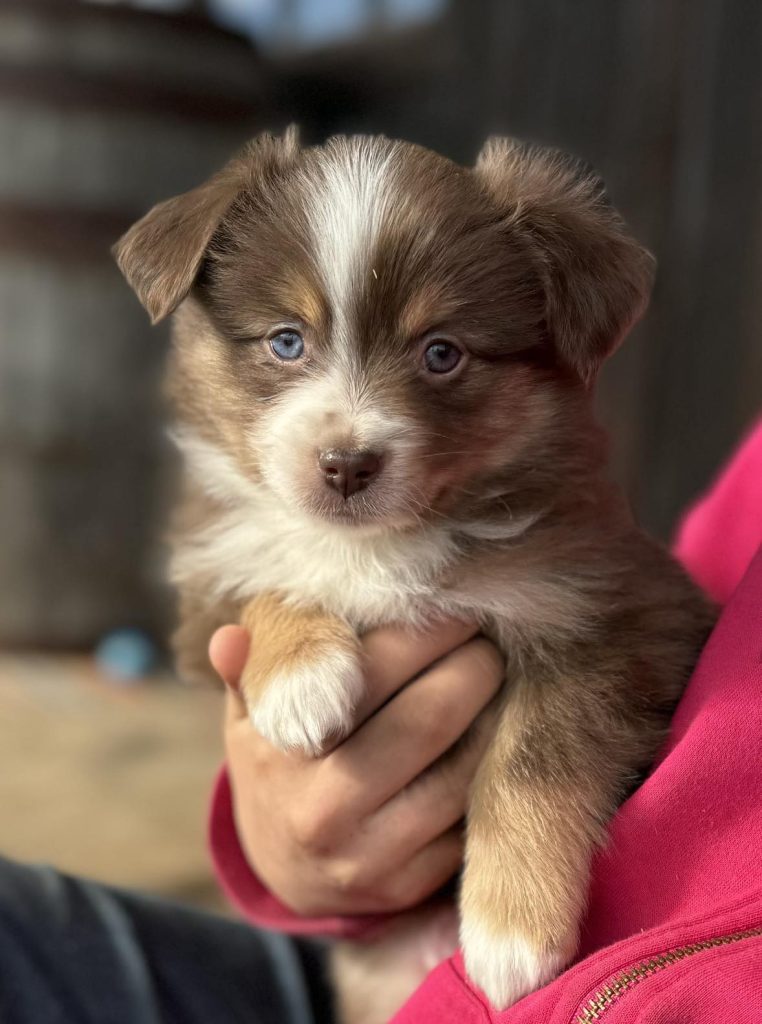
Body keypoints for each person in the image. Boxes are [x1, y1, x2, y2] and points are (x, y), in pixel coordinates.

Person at [1, 420, 760, 1024]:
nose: (352, 428)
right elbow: (675, 631)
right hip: (400, 969)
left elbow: (632, 634)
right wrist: (300, 855)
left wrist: (527, 831)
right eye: (287, 343)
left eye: (439, 354)